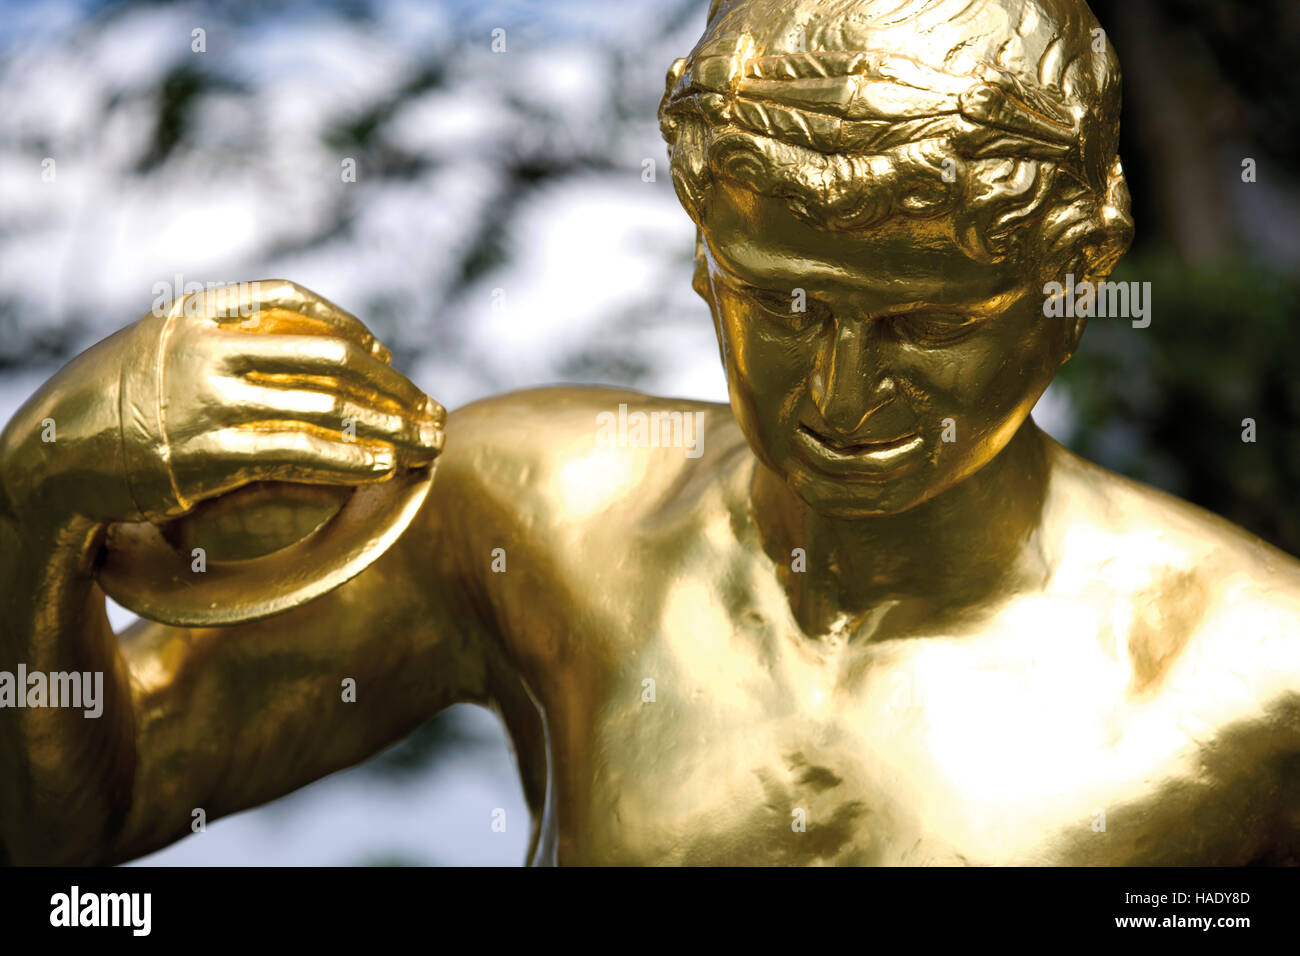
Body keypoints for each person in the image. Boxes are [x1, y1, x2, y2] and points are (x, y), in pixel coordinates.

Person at [2, 0, 1297, 866]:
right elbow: (80, 821)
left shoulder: (1260, 678)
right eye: (778, 306)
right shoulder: (529, 513)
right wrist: (35, 507)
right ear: (702, 256)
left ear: (1079, 273)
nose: (839, 397)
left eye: (917, 324)